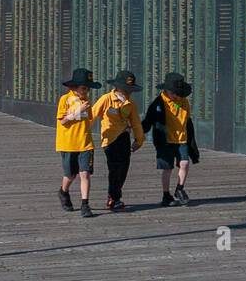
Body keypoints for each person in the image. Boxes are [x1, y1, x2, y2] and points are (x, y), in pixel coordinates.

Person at [141, 72, 200, 206]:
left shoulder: (183, 101)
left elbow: (186, 120)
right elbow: (148, 121)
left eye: (178, 93)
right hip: (165, 141)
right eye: (173, 93)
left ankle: (179, 189)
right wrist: (138, 134)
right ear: (166, 90)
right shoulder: (158, 103)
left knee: (184, 163)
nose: (176, 95)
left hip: (182, 139)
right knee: (167, 168)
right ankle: (166, 194)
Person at [93, 69, 145, 212]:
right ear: (117, 87)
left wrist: (139, 140)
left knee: (123, 168)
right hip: (109, 139)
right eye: (126, 89)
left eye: (130, 90)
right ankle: (114, 197)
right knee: (114, 169)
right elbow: (92, 115)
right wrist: (83, 133)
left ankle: (115, 195)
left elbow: (136, 122)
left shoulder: (130, 104)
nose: (128, 92)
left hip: (124, 138)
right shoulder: (106, 99)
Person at [56, 67, 101, 218]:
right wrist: (78, 111)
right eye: (83, 88)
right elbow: (63, 121)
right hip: (68, 143)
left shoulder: (86, 101)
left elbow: (88, 119)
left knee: (85, 174)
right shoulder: (65, 99)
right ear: (74, 87)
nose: (86, 91)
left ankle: (85, 204)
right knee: (70, 175)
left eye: (88, 89)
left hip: (85, 143)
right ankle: (63, 191)